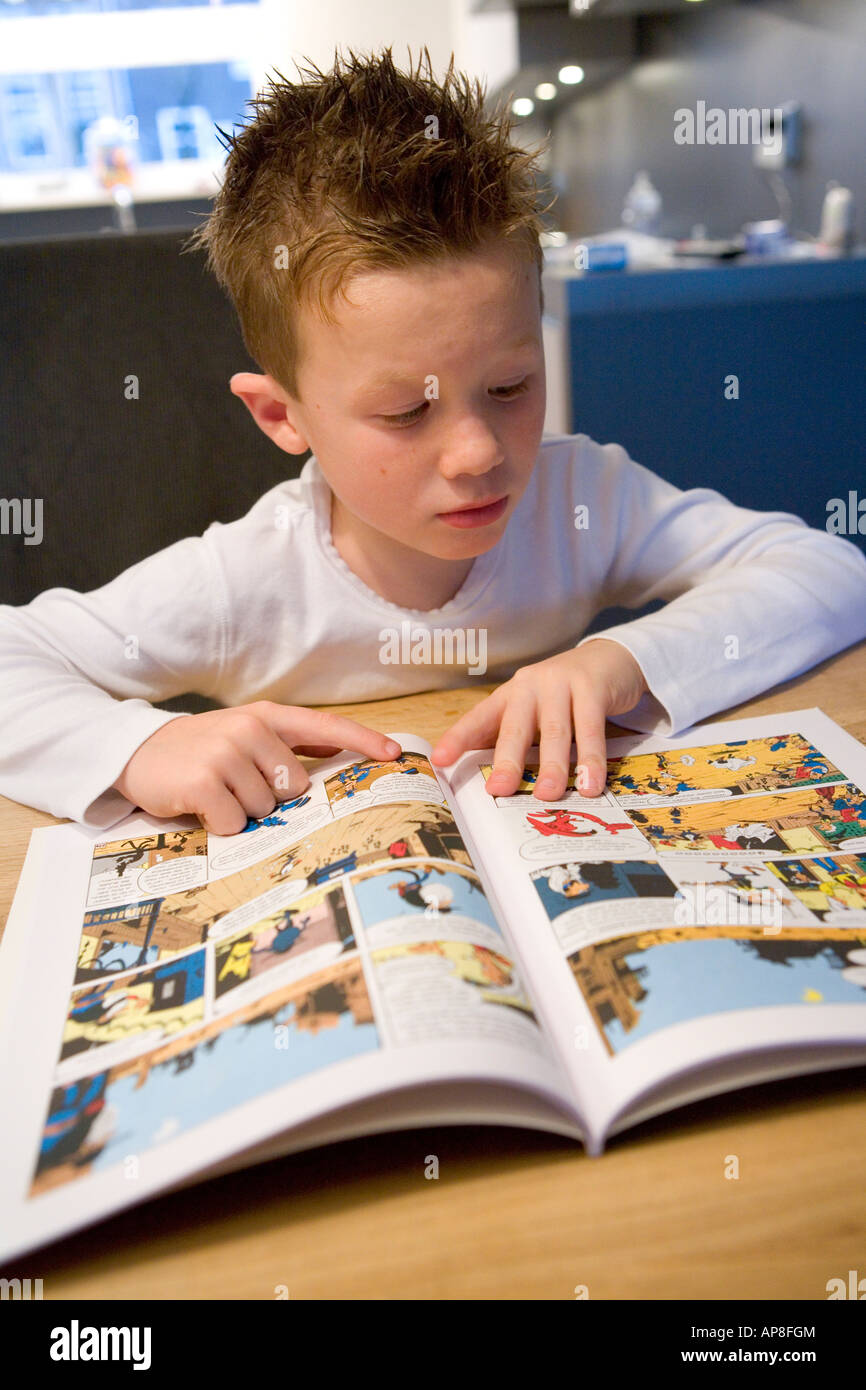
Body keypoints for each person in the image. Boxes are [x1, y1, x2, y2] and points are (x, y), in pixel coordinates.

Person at [2, 49, 865, 837]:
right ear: (281, 417)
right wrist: (138, 746)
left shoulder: (583, 497)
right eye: (406, 414)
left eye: (509, 388)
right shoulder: (241, 584)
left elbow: (829, 570)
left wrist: (624, 657)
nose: (477, 454)